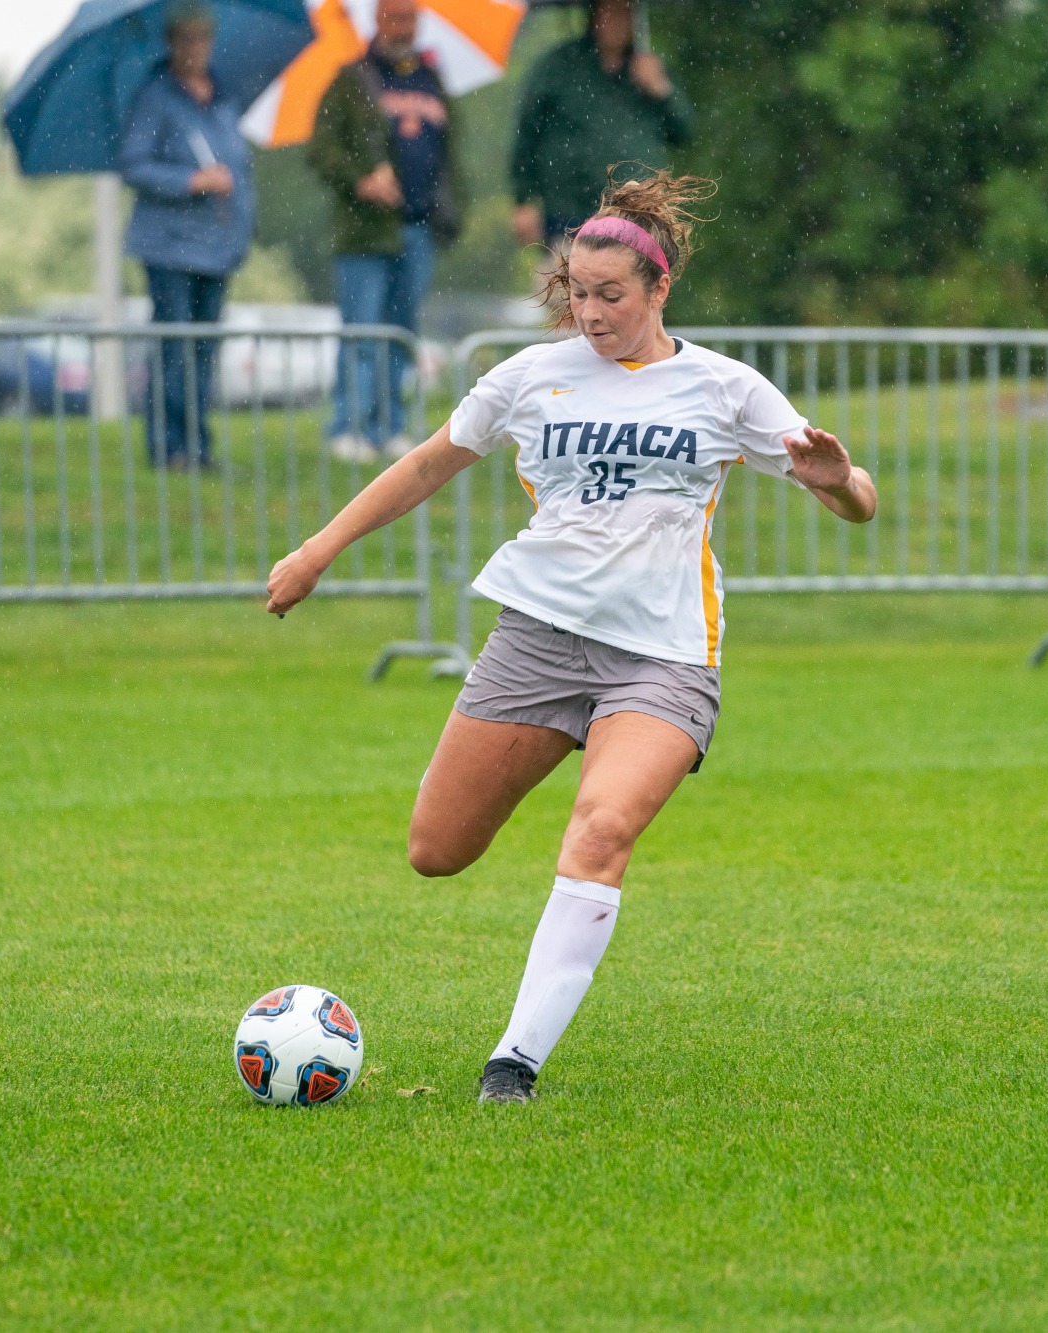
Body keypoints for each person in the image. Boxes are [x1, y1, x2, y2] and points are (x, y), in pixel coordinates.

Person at [264, 172, 878, 1103]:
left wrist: (837, 480)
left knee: (601, 829)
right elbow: (429, 463)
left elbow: (858, 503)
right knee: (437, 848)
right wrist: (317, 551)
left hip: (663, 657)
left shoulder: (725, 387)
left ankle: (513, 1063)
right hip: (537, 641)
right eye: (577, 294)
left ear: (659, 288)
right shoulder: (529, 376)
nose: (590, 314)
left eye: (611, 296)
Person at [311, 0, 465, 463]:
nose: (402, 26)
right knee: (362, 329)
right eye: (394, 15)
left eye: (410, 17)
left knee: (402, 330)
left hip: (417, 228)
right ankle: (348, 426)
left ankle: (389, 425)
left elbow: (449, 155)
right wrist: (361, 179)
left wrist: (453, 207)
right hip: (364, 232)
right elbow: (321, 150)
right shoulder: (351, 80)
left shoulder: (432, 80)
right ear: (377, 19)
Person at [118, 2, 254, 468]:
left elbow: (238, 169)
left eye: (203, 38)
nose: (196, 48)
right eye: (187, 38)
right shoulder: (155, 96)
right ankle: (170, 446)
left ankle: (199, 445)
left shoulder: (224, 99)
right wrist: (190, 182)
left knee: (203, 354)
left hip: (216, 248)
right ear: (172, 42)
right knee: (174, 351)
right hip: (169, 248)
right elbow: (134, 165)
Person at [510, 0, 693, 249]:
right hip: (569, 218)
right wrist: (525, 199)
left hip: (639, 218)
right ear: (593, 15)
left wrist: (661, 89)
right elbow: (526, 134)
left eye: (624, 11)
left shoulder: (650, 67)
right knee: (568, 284)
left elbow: (684, 132)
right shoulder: (558, 67)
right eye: (608, 11)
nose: (615, 20)